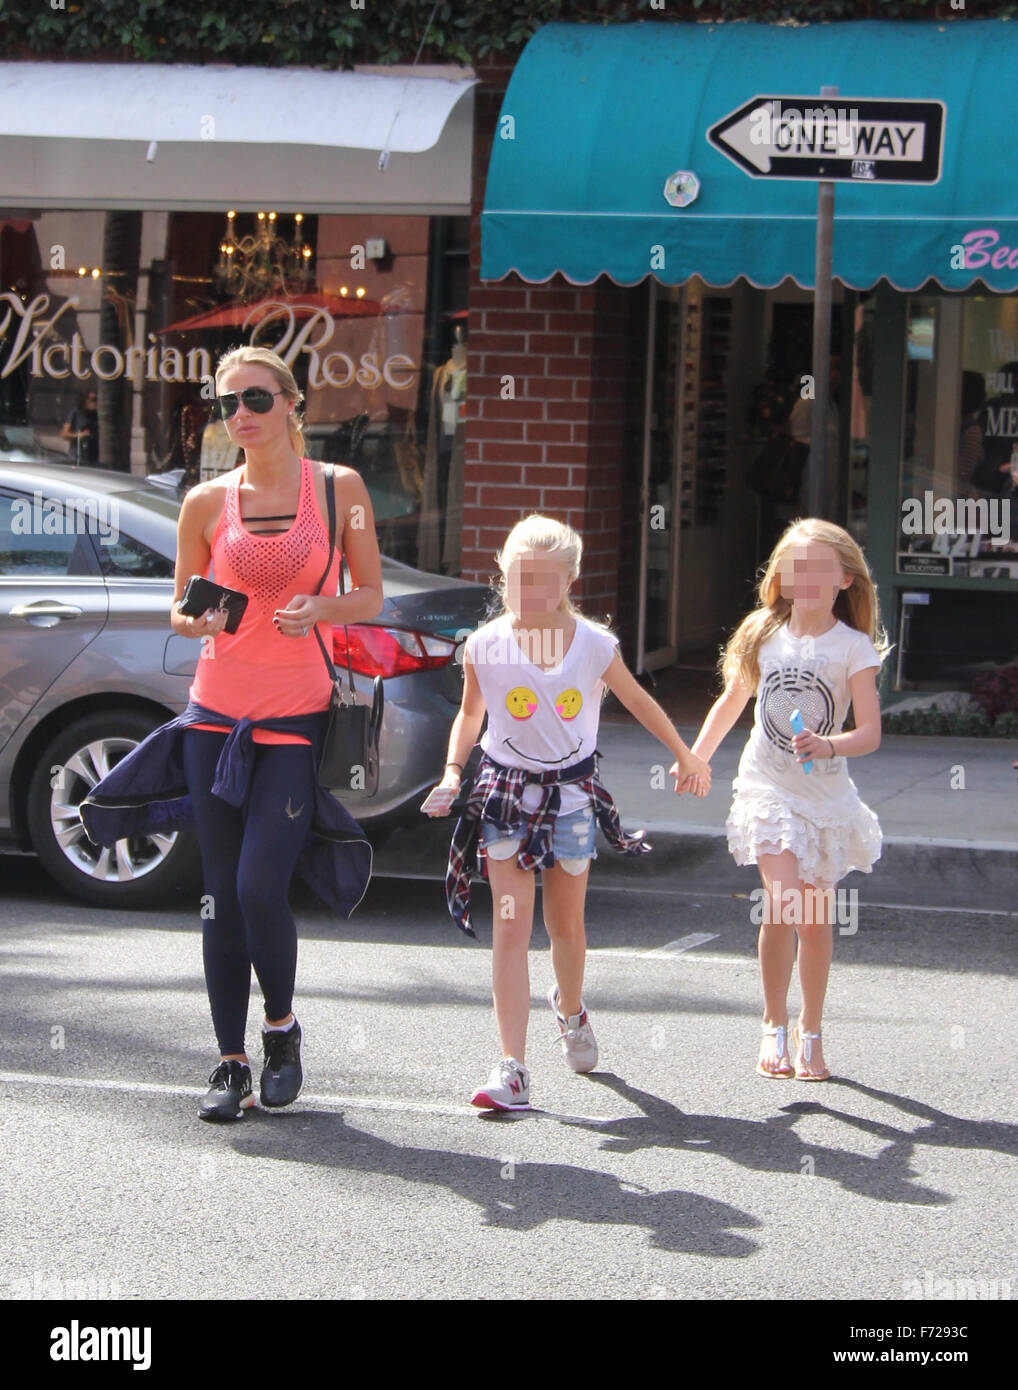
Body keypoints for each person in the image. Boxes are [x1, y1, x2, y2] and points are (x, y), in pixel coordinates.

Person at [80, 345, 383, 1122]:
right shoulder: (207, 502)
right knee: (219, 895)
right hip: (214, 712)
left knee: (257, 886)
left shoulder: (337, 489)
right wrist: (200, 618)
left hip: (293, 713)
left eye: (254, 398)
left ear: (291, 403)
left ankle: (280, 1030)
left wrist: (321, 608)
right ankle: (229, 1062)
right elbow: (180, 610)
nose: (240, 415)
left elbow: (371, 594)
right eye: (225, 405)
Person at [428, 514, 710, 1110]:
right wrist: (454, 773)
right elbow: (471, 715)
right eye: (518, 580)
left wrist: (685, 755)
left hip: (573, 797)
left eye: (543, 582)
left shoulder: (593, 646)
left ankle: (570, 1007)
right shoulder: (484, 645)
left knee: (566, 928)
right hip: (505, 793)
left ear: (569, 582)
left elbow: (637, 699)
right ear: (502, 575)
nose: (528, 594)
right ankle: (513, 1069)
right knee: (510, 927)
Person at [679, 518, 885, 1082]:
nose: (808, 578)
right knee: (783, 903)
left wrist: (827, 743)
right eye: (797, 568)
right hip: (766, 788)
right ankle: (772, 1023)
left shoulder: (853, 647)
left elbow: (868, 733)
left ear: (846, 579)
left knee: (815, 920)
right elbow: (731, 703)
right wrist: (695, 756)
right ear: (782, 576)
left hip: (824, 796)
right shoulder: (763, 632)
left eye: (822, 569)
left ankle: (810, 1029)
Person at [61, 389, 98, 464]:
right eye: (92, 400)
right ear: (85, 401)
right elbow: (64, 434)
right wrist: (78, 436)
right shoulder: (76, 412)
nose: (94, 403)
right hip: (77, 452)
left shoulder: (96, 414)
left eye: (96, 400)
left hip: (93, 452)